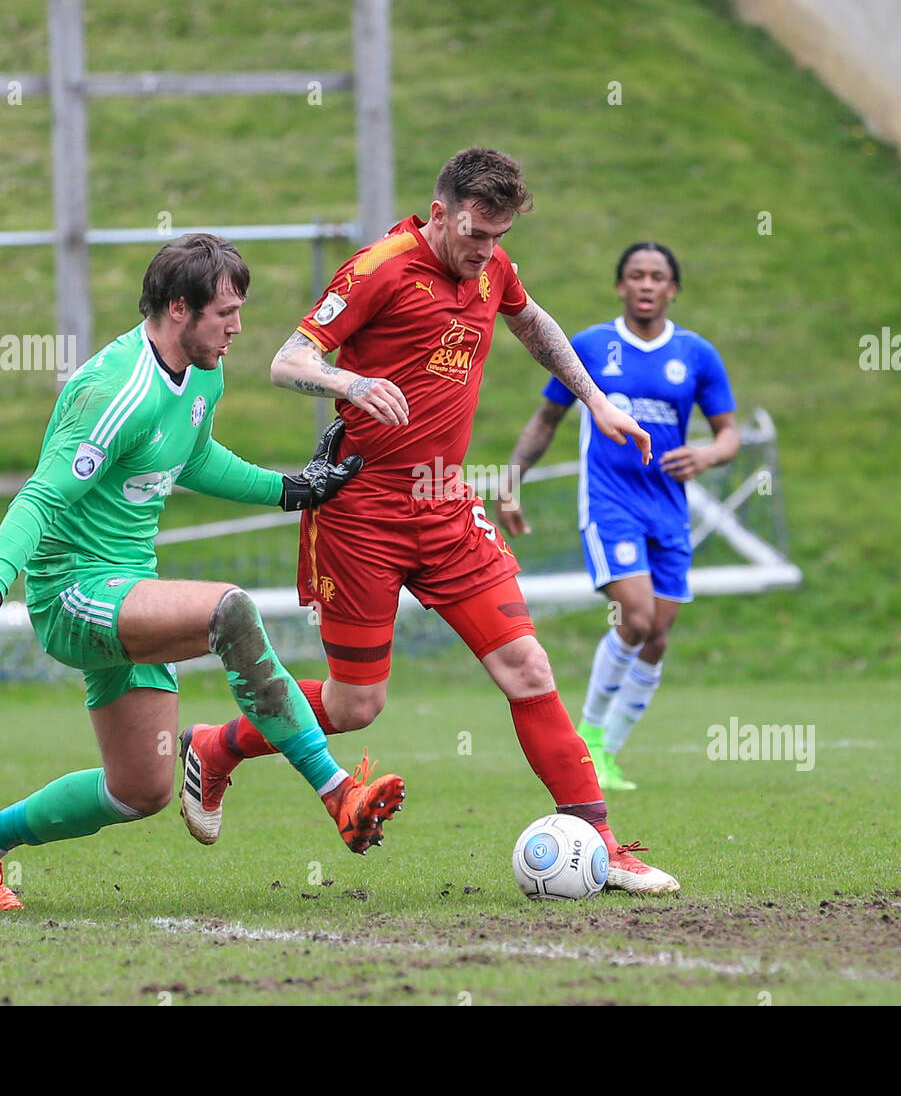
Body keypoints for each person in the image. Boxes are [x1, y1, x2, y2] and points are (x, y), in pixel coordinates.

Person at [181, 148, 680, 894]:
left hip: (447, 505)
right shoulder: (379, 267)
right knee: (357, 706)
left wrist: (596, 399)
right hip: (362, 511)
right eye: (476, 233)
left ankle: (604, 846)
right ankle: (216, 746)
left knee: (528, 667)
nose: (486, 251)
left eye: (500, 237)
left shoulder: (493, 267)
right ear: (440, 211)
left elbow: (531, 320)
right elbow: (288, 360)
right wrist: (352, 380)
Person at [0, 233, 405, 912]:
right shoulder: (116, 389)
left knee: (140, 790)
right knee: (229, 611)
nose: (238, 328)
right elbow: (40, 496)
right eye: (225, 313)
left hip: (130, 593)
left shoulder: (203, 371)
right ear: (178, 308)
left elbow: (197, 458)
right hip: (75, 597)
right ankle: (338, 794)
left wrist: (294, 489)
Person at [498, 241, 739, 790]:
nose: (647, 285)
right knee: (637, 618)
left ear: (673, 288)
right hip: (610, 504)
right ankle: (586, 739)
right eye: (636, 275)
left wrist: (705, 454)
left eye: (658, 276)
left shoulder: (697, 355)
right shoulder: (590, 345)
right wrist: (511, 482)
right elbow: (546, 419)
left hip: (668, 508)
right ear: (621, 286)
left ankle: (606, 748)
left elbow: (730, 435)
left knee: (657, 637)